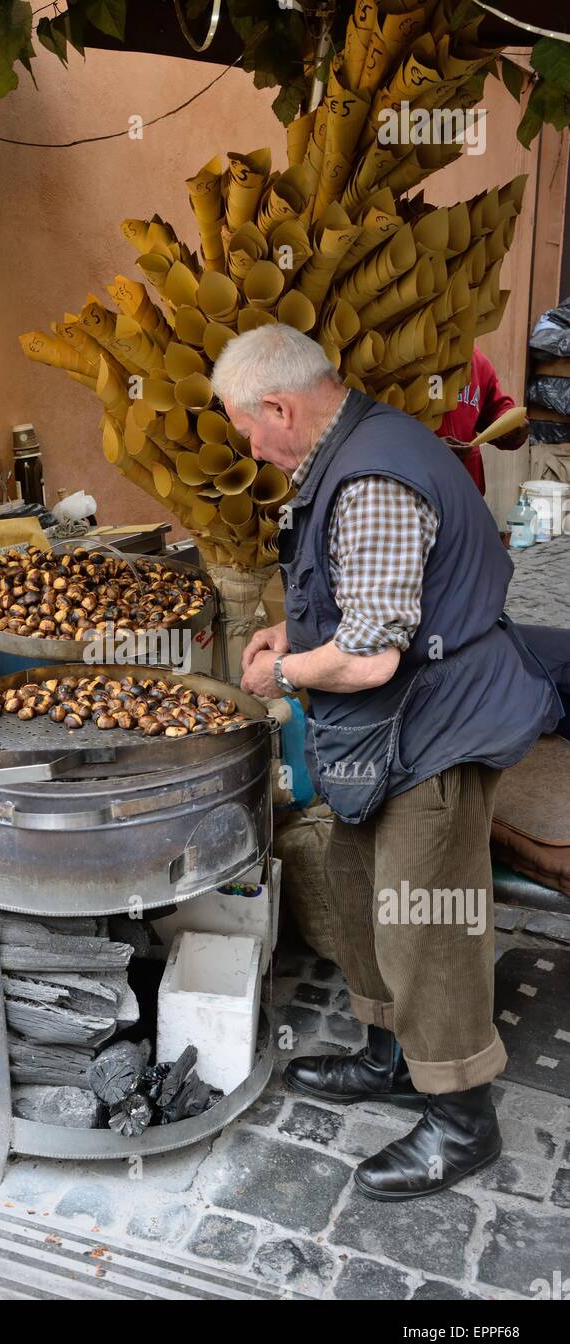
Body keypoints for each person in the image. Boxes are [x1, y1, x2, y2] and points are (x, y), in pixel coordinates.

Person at [210, 324, 563, 1202]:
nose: (249, 448)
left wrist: (281, 672)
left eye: (247, 428)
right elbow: (374, 597)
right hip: (385, 730)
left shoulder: (370, 476)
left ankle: (460, 1119)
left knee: (425, 919)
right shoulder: (357, 444)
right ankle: (389, 1056)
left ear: (280, 407)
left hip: (432, 727)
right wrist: (293, 628)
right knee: (357, 882)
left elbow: (369, 655)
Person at [436, 345, 528, 493]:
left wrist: (512, 425)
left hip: (467, 487)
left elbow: (494, 410)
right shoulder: (406, 358)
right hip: (418, 486)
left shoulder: (478, 362)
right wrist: (427, 448)